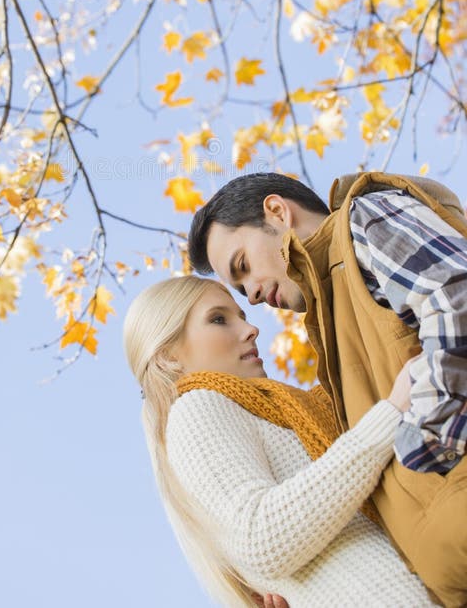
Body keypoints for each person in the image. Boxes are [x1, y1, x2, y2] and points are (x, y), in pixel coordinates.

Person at [187, 170, 467, 607]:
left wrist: (424, 448)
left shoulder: (362, 220)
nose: (253, 297)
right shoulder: (335, 330)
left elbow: (457, 299)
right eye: (240, 290)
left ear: (277, 213)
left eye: (243, 266)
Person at [123, 275, 432, 607]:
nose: (250, 329)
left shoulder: (269, 415)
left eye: (241, 316)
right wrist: (389, 414)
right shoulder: (196, 407)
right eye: (218, 319)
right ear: (168, 356)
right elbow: (261, 538)